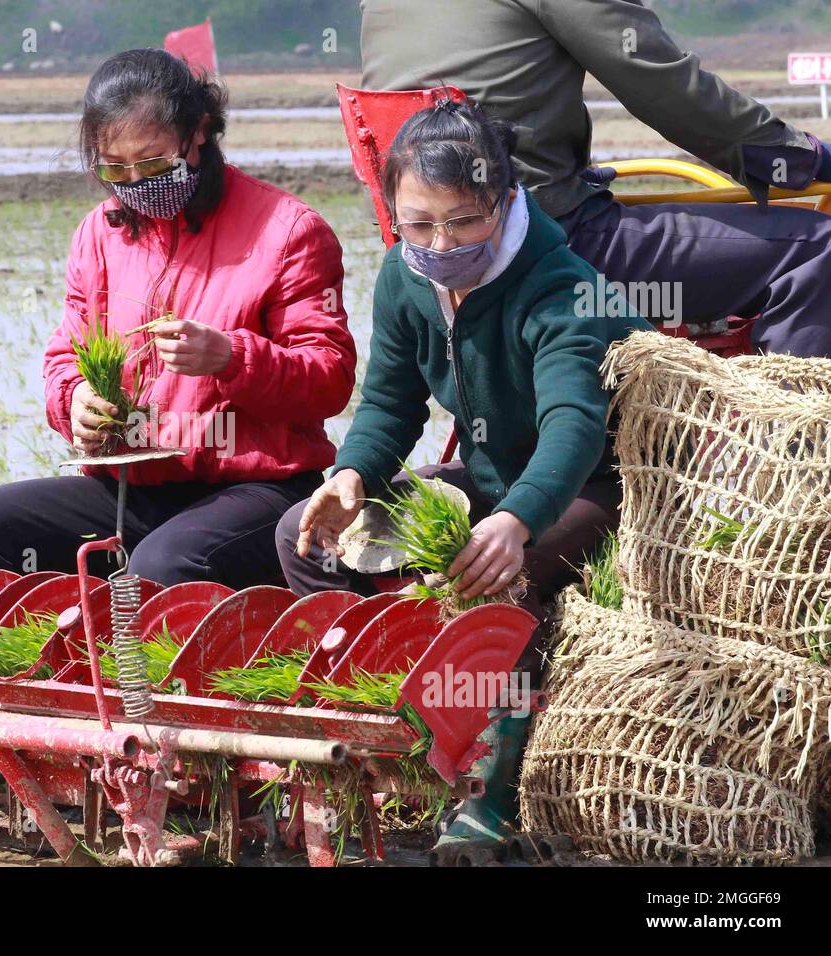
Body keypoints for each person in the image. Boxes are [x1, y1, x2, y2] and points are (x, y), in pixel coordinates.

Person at [275, 99, 652, 848]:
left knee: (491, 576)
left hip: (582, 489)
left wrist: (517, 521)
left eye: (465, 222)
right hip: (486, 478)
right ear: (393, 213)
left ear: (506, 201)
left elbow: (573, 425)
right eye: (419, 223)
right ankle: (391, 723)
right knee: (303, 535)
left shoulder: (563, 286)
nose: (441, 243)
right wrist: (352, 474)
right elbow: (388, 401)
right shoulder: (404, 276)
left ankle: (493, 789)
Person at [0, 49, 356, 588]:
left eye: (154, 164)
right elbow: (68, 354)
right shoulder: (99, 232)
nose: (136, 182)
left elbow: (330, 380)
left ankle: (173, 658)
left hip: (256, 491)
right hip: (130, 485)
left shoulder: (288, 231)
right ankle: (34, 664)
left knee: (163, 562)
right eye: (115, 169)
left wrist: (231, 357)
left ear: (198, 131)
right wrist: (74, 403)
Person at [359, 0, 831, 358]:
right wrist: (796, 157)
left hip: (431, 259)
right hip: (548, 247)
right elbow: (665, 86)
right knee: (813, 250)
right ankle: (789, 466)